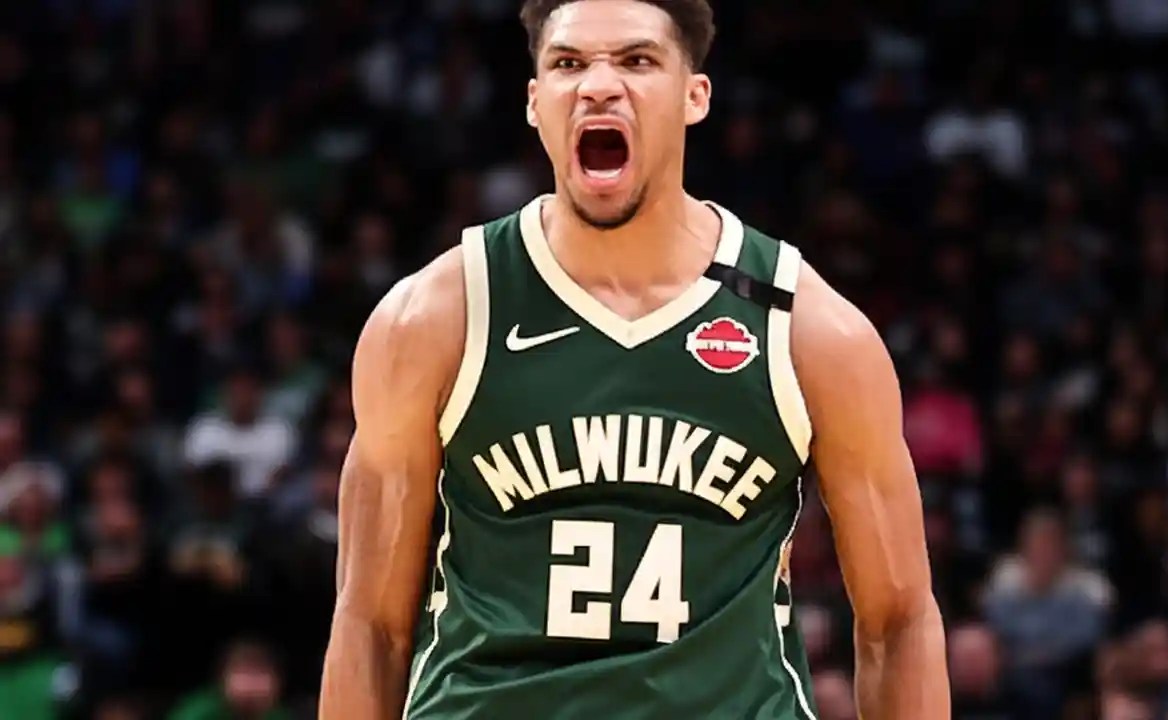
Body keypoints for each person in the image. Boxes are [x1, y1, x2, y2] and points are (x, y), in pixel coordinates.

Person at [318, 0, 948, 718]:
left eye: (636, 60)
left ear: (694, 95)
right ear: (534, 102)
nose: (598, 85)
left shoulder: (808, 328)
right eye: (568, 64)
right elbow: (371, 623)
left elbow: (898, 621)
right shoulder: (435, 317)